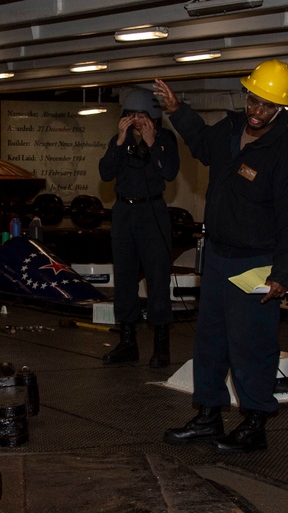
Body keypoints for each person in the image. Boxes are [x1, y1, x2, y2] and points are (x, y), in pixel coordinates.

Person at [154, 60, 288, 452]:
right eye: (253, 102)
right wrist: (178, 111)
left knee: (252, 344)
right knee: (210, 341)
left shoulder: (287, 153)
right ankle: (209, 416)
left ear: (281, 108)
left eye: (266, 107)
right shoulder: (229, 129)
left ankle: (255, 423)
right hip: (220, 257)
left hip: (257, 264)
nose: (257, 112)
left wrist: (283, 275)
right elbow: (202, 145)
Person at [98, 88, 180, 367]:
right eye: (132, 115)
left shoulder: (165, 138)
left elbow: (169, 172)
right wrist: (120, 141)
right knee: (124, 276)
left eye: (142, 115)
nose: (136, 120)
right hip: (124, 212)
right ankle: (127, 342)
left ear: (153, 117)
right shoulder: (119, 141)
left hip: (152, 211)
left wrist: (152, 142)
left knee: (158, 278)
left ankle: (161, 345)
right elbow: (106, 172)